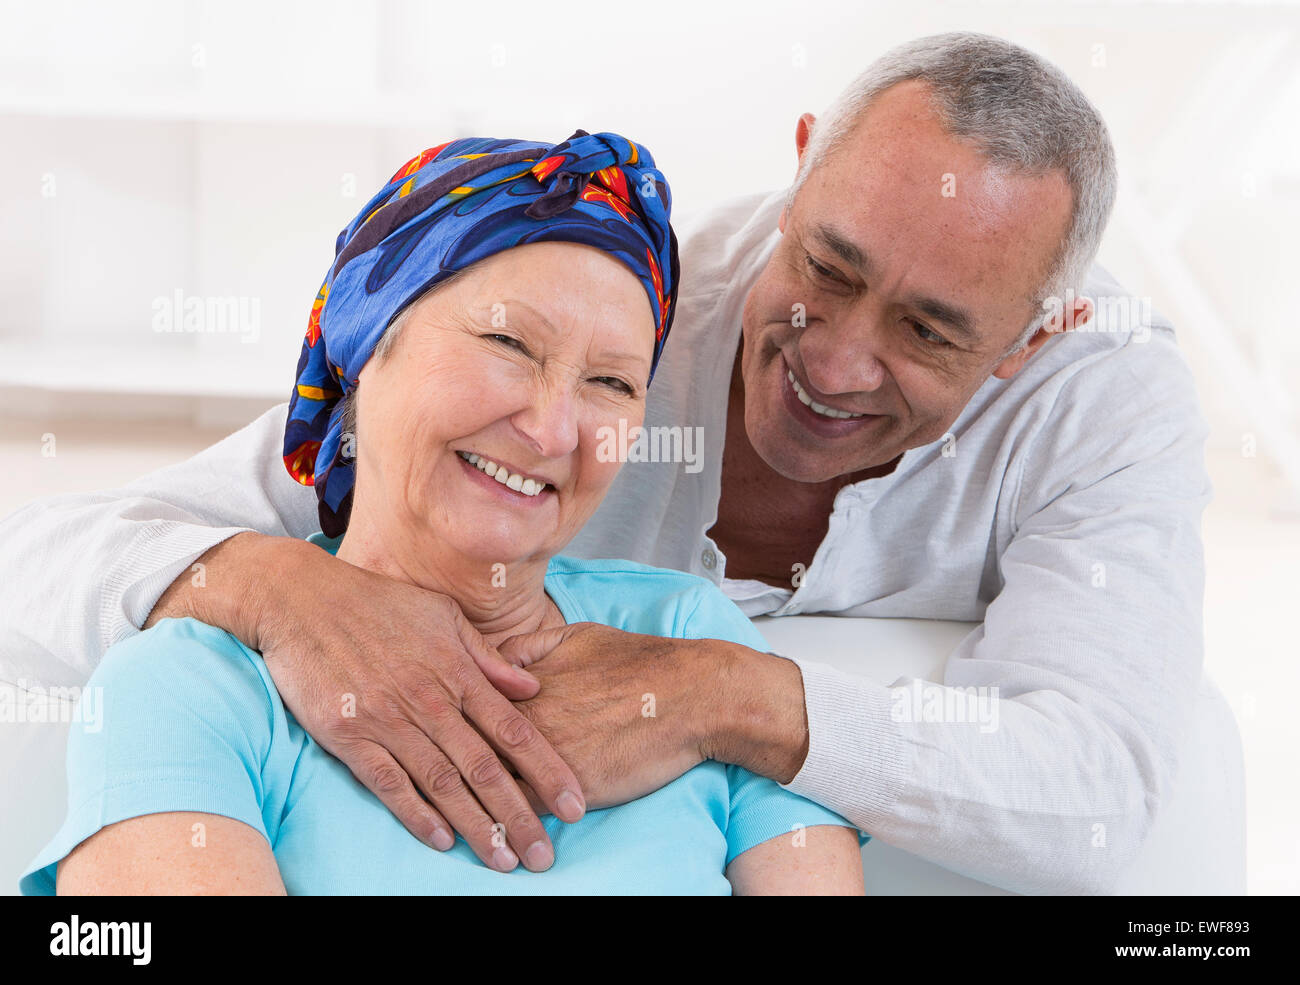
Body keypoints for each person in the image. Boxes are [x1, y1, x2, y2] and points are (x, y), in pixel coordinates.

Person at [1, 34, 1211, 895]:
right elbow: (46, 547)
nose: (836, 363)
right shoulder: (608, 297)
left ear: (1034, 334)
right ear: (798, 170)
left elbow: (1098, 791)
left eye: (929, 332)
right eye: (826, 271)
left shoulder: (1104, 407)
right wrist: (282, 592)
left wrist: (724, 693)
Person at [18, 132, 865, 895]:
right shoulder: (189, 685)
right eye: (507, 344)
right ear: (362, 349)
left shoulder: (692, 637)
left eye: (610, 382)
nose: (553, 427)